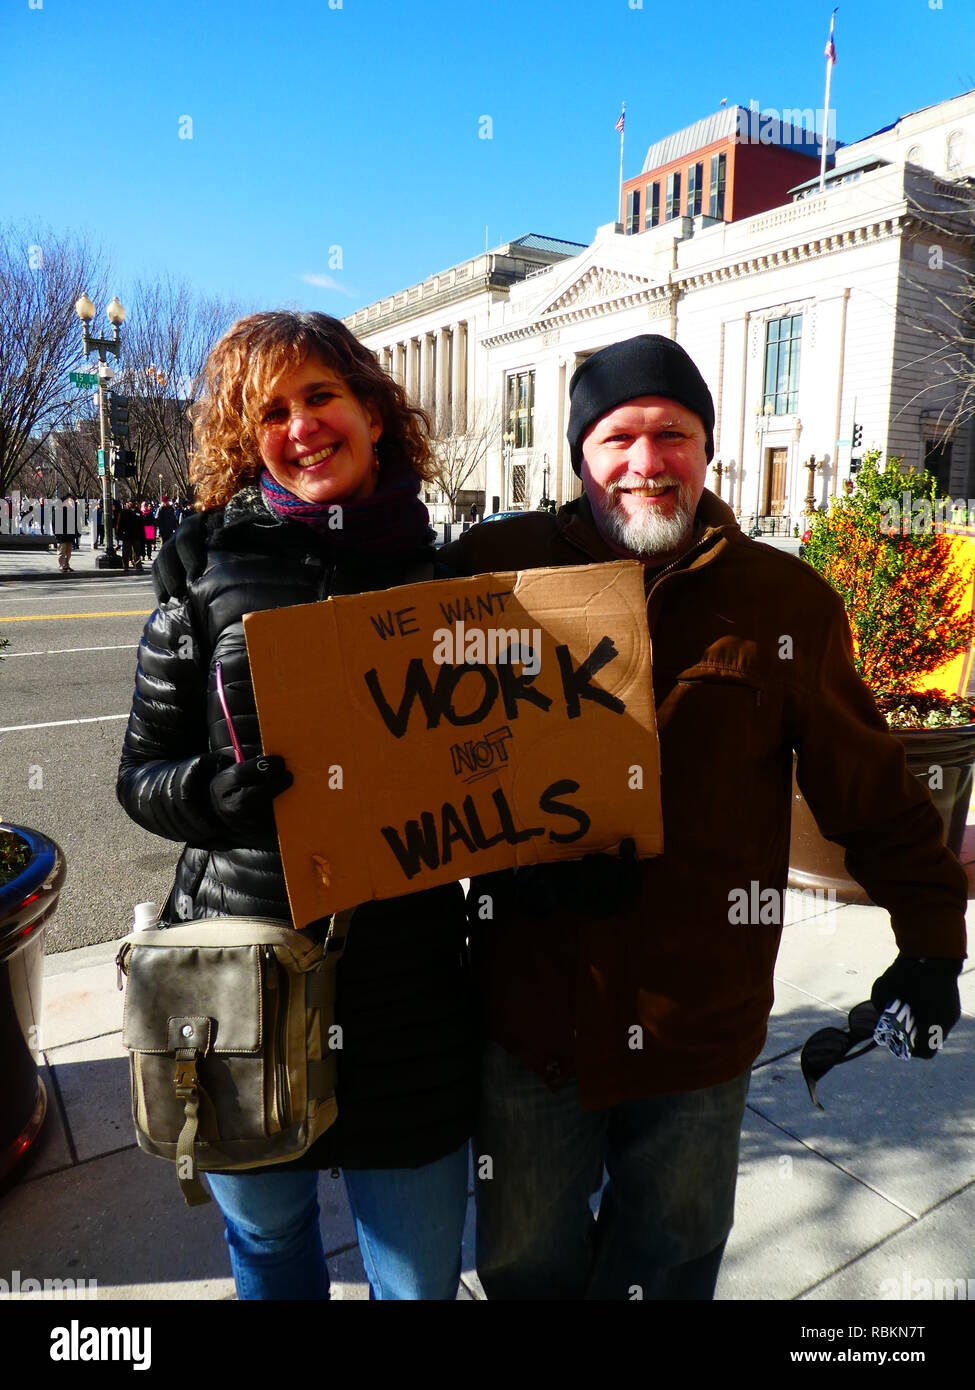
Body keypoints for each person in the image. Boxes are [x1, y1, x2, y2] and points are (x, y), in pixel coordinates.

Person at [440, 333, 968, 1300]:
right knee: (525, 1265)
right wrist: (237, 553)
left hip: (698, 1018)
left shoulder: (783, 601)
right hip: (535, 1010)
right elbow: (372, 674)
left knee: (669, 1266)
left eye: (673, 435)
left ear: (708, 450)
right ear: (580, 456)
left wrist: (932, 938)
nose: (648, 463)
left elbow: (871, 787)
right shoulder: (493, 569)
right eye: (618, 438)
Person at [116, 310, 475, 1301]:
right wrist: (210, 795)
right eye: (271, 411)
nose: (302, 426)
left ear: (370, 407)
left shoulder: (452, 580)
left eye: (320, 395)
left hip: (409, 995)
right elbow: (140, 772)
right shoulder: (204, 579)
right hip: (247, 977)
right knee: (271, 1254)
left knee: (418, 1278)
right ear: (248, 437)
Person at [116, 500, 145, 574]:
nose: (131, 504)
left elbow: (141, 524)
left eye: (132, 503)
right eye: (129, 503)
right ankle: (125, 566)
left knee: (137, 552)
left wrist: (142, 534)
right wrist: (119, 534)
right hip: (127, 535)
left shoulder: (138, 512)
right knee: (125, 552)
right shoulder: (123, 512)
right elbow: (119, 524)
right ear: (127, 504)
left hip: (136, 535)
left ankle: (138, 565)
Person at [54, 496, 80, 573]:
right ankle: (61, 565)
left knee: (68, 552)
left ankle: (66, 564)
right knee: (62, 552)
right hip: (62, 535)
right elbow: (55, 523)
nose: (71, 503)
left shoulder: (72, 511)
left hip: (70, 535)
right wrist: (57, 534)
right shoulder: (58, 510)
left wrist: (76, 533)